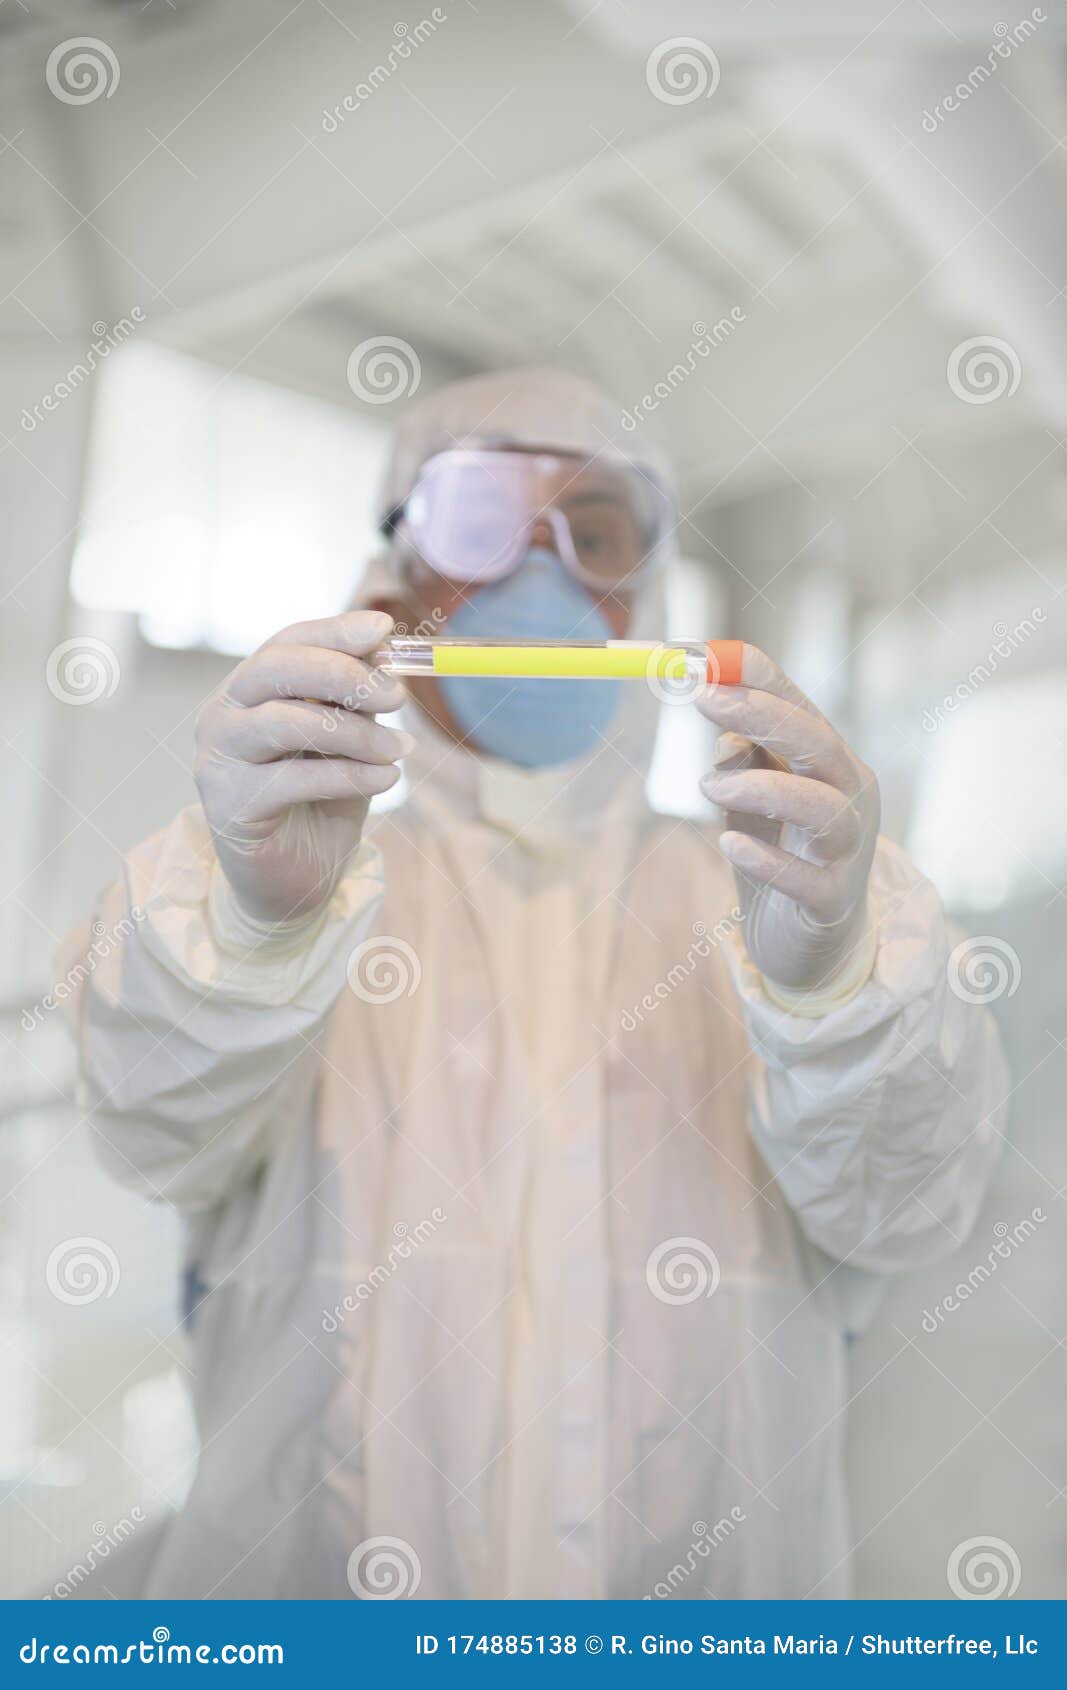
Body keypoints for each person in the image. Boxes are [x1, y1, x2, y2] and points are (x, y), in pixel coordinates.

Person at [59, 367, 1006, 1600]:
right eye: (481, 522)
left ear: (643, 592)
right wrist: (249, 928)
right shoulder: (293, 895)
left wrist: (834, 992)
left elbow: (907, 1210)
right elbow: (146, 1130)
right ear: (393, 586)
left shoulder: (772, 895)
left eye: (593, 531)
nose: (541, 573)